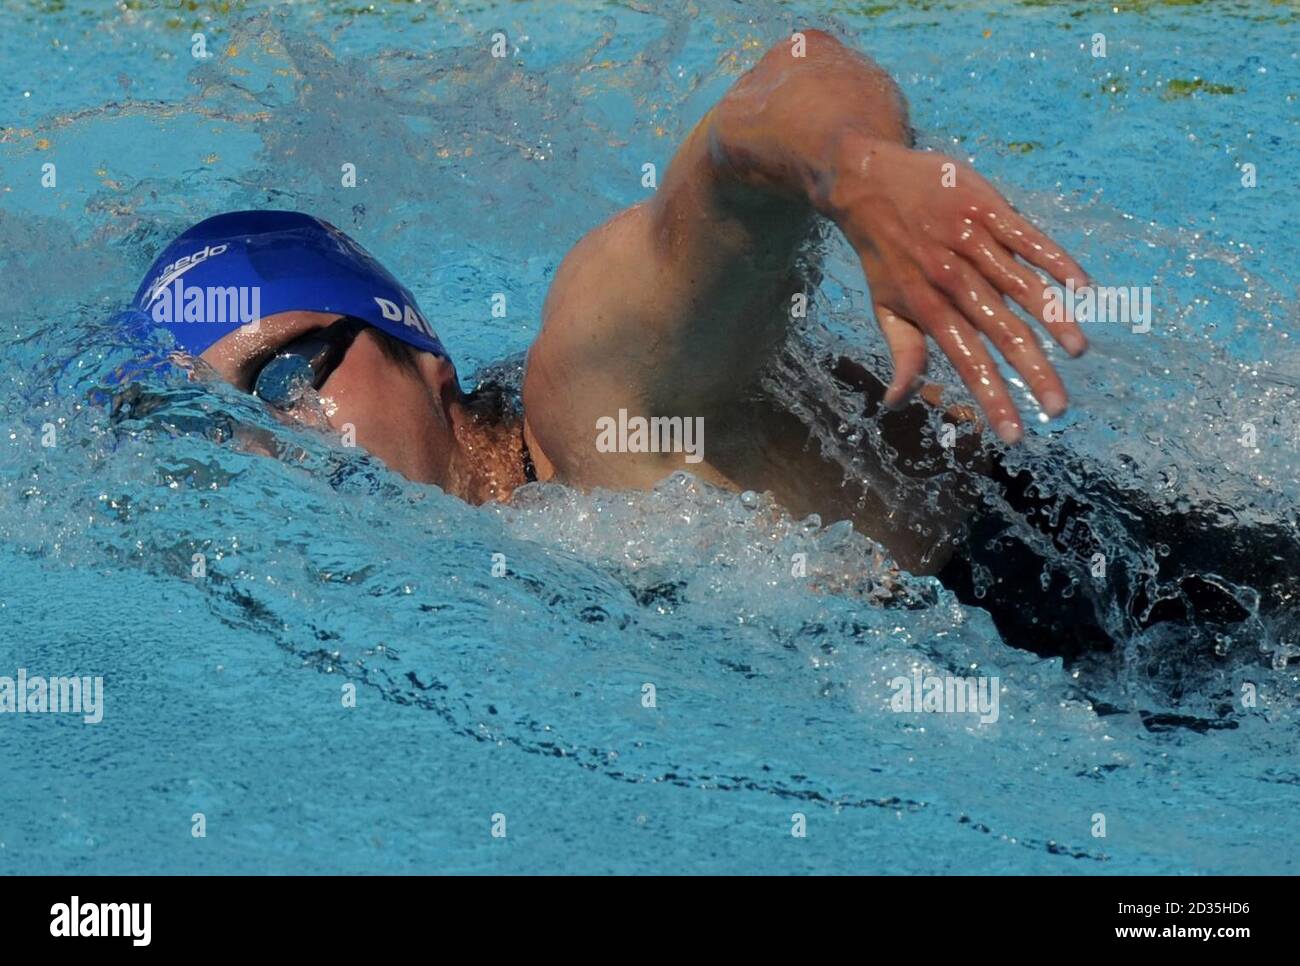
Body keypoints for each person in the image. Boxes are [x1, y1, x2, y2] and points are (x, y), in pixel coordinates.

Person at [126, 30, 1281, 662]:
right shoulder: (500, 562)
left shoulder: (592, 404)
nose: (257, 446)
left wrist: (858, 177)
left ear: (418, 349)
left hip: (1208, 636)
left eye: (278, 378)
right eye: (204, 426)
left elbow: (781, 92)